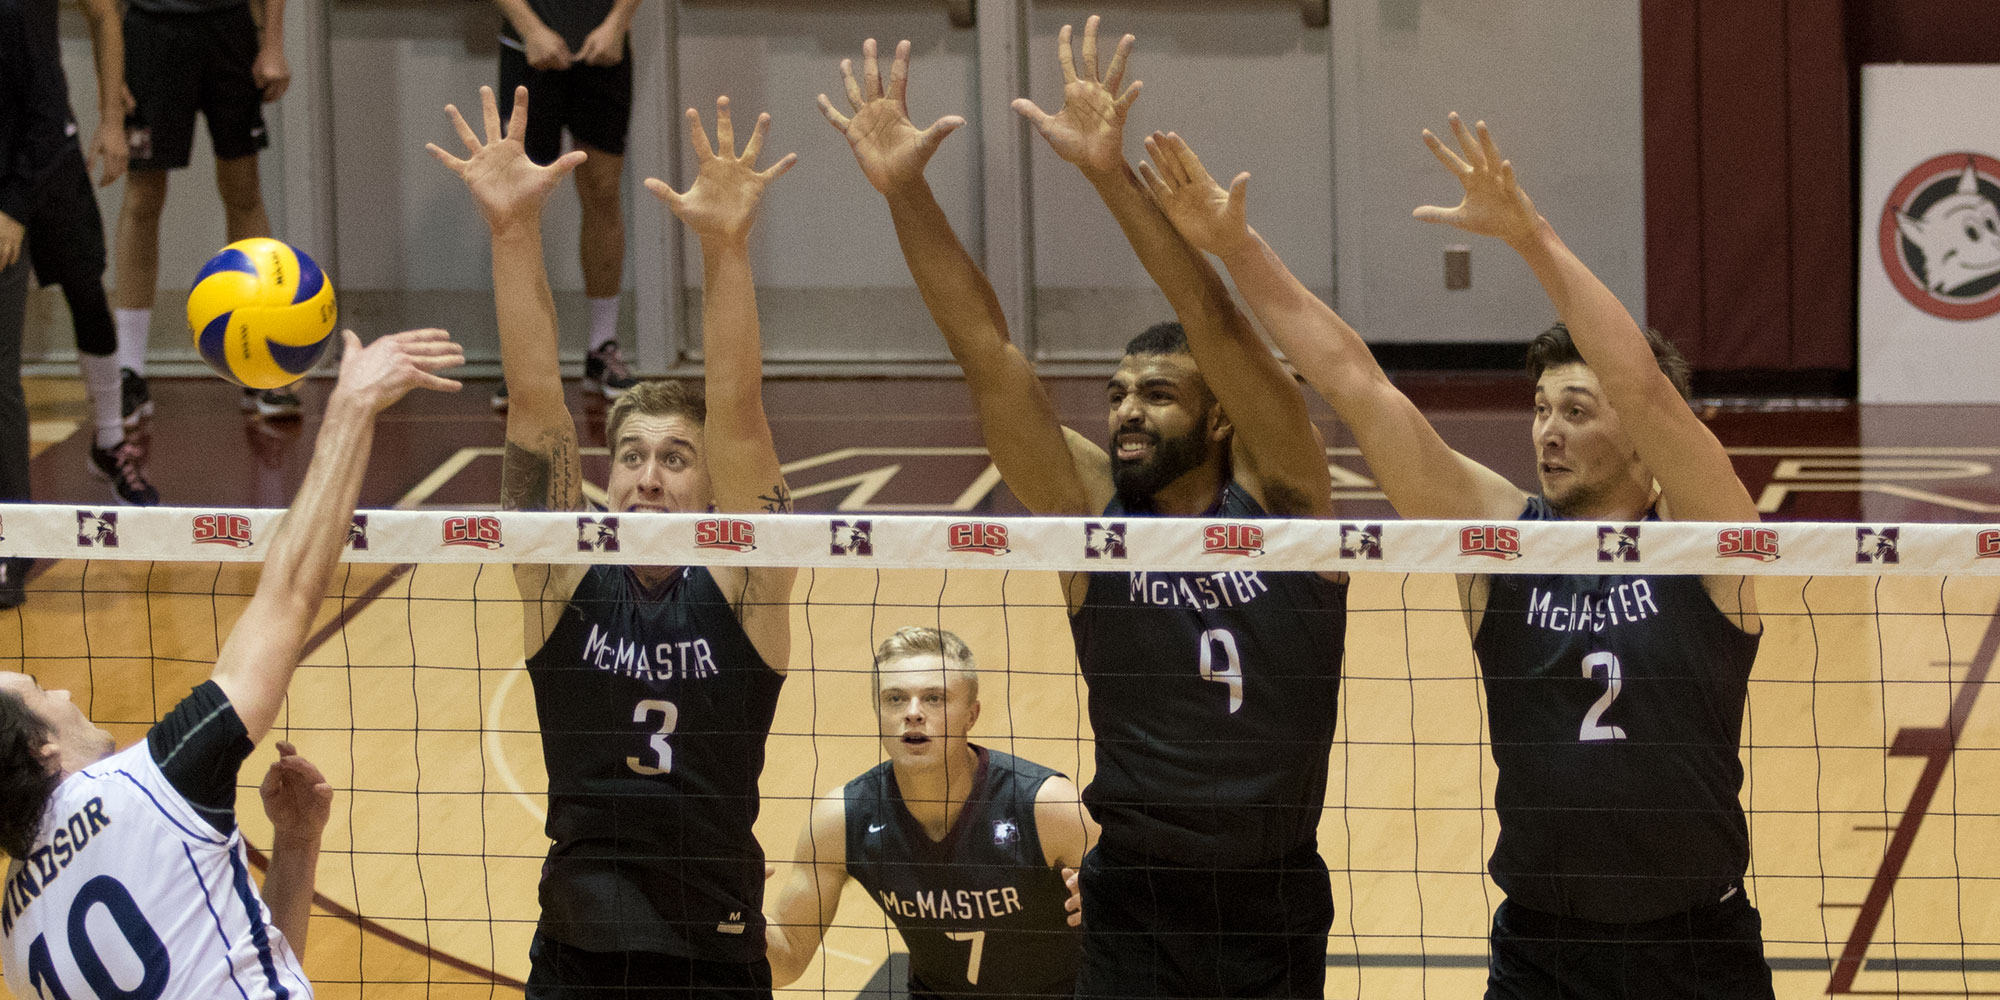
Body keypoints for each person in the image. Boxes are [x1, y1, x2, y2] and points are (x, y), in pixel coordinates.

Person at [1137, 118, 1772, 997]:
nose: (1548, 430)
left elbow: (1647, 389)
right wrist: (1239, 250)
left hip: (1698, 947)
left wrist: (1531, 237)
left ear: (1640, 440)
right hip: (1543, 948)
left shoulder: (1708, 547)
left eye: (1577, 410)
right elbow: (1356, 383)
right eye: (1541, 408)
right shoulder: (1499, 543)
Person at [821, 21, 1344, 998]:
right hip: (1134, 892)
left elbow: (1219, 325)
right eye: (1114, 394)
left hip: (1269, 892)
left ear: (1219, 412)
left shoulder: (1287, 505)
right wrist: (905, 193)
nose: (1125, 412)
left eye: (1155, 393)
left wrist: (1111, 178)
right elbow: (988, 352)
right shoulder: (1092, 518)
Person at [431, 84, 799, 998]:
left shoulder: (747, 594)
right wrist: (512, 231)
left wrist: (725, 248)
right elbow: (536, 407)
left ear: (709, 485)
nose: (647, 476)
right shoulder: (563, 581)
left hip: (715, 947)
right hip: (579, 946)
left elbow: (744, 419)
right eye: (630, 456)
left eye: (677, 458)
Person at [0, 325, 466, 999]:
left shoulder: (18, 940)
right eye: (41, 691)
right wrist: (352, 406)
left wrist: (297, 849)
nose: (65, 690)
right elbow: (291, 591)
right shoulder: (149, 785)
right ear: (42, 750)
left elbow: (248, 966)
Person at [764, 627, 1093, 1000]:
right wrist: (733, 913)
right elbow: (787, 958)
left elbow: (1151, 909)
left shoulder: (1048, 807)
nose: (913, 713)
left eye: (934, 698)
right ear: (878, 713)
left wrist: (1120, 900)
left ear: (972, 714)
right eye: (895, 699)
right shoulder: (840, 821)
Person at [112, 0, 296, 419]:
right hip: (149, 30)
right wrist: (112, 68)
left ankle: (260, 360)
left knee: (244, 189)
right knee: (142, 197)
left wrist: (272, 41)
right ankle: (128, 371)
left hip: (229, 25)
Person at [19, 0, 159, 505]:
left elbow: (103, 14)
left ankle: (109, 441)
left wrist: (111, 121)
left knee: (86, 289)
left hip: (48, 143)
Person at [488, 0, 644, 412]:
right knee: (519, 204)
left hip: (605, 50)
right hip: (528, 50)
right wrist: (530, 28)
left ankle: (602, 348)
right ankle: (523, 357)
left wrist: (617, 22)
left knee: (603, 192)